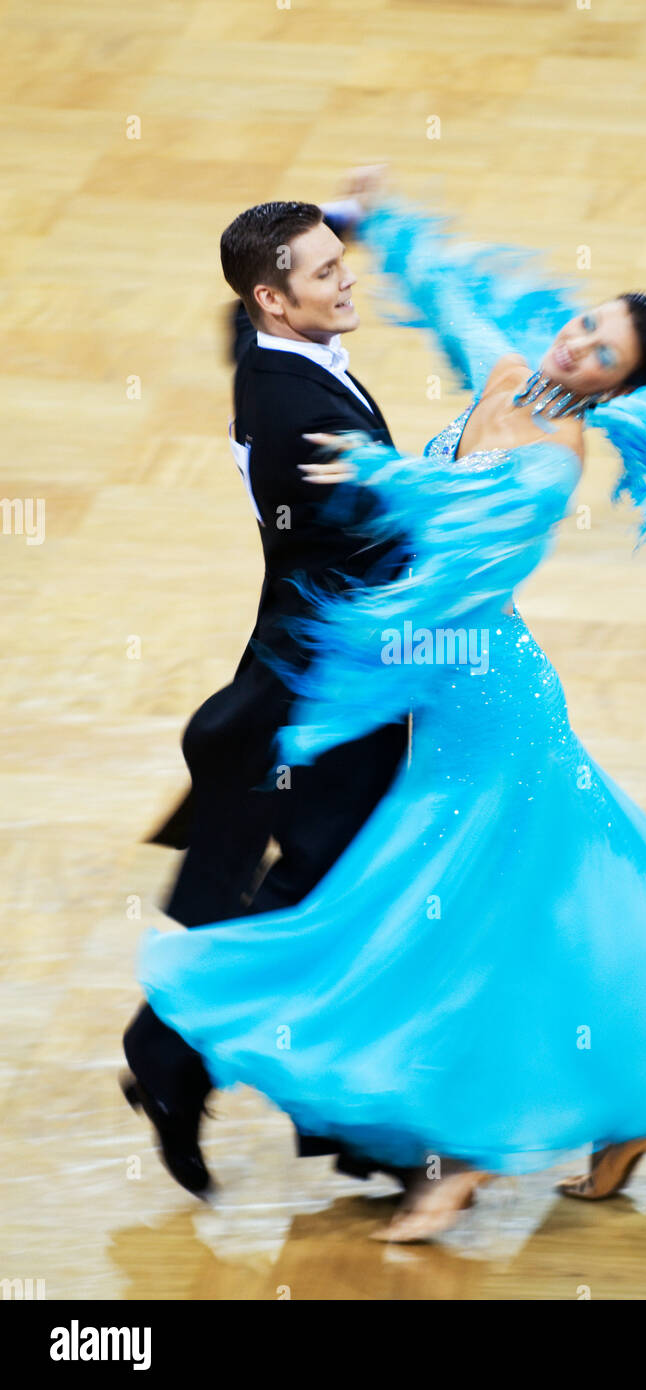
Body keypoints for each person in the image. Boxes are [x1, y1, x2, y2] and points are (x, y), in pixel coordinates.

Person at [135, 186, 646, 1242]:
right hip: (433, 683)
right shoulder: (511, 372)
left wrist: (378, 474)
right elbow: (464, 310)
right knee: (541, 888)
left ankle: (466, 1147)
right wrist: (394, 240)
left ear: (617, 387)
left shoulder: (557, 463)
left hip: (479, 686)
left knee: (480, 898)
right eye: (582, 321)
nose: (574, 345)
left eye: (600, 352)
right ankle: (603, 1118)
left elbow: (462, 546)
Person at [122, 173, 415, 1196]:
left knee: (319, 892)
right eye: (328, 271)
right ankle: (176, 1055)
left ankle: (332, 1114)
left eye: (343, 262)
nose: (348, 281)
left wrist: (336, 218)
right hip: (324, 692)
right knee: (317, 898)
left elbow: (241, 298)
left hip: (316, 680)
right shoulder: (297, 422)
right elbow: (386, 555)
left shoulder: (269, 347)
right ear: (273, 302)